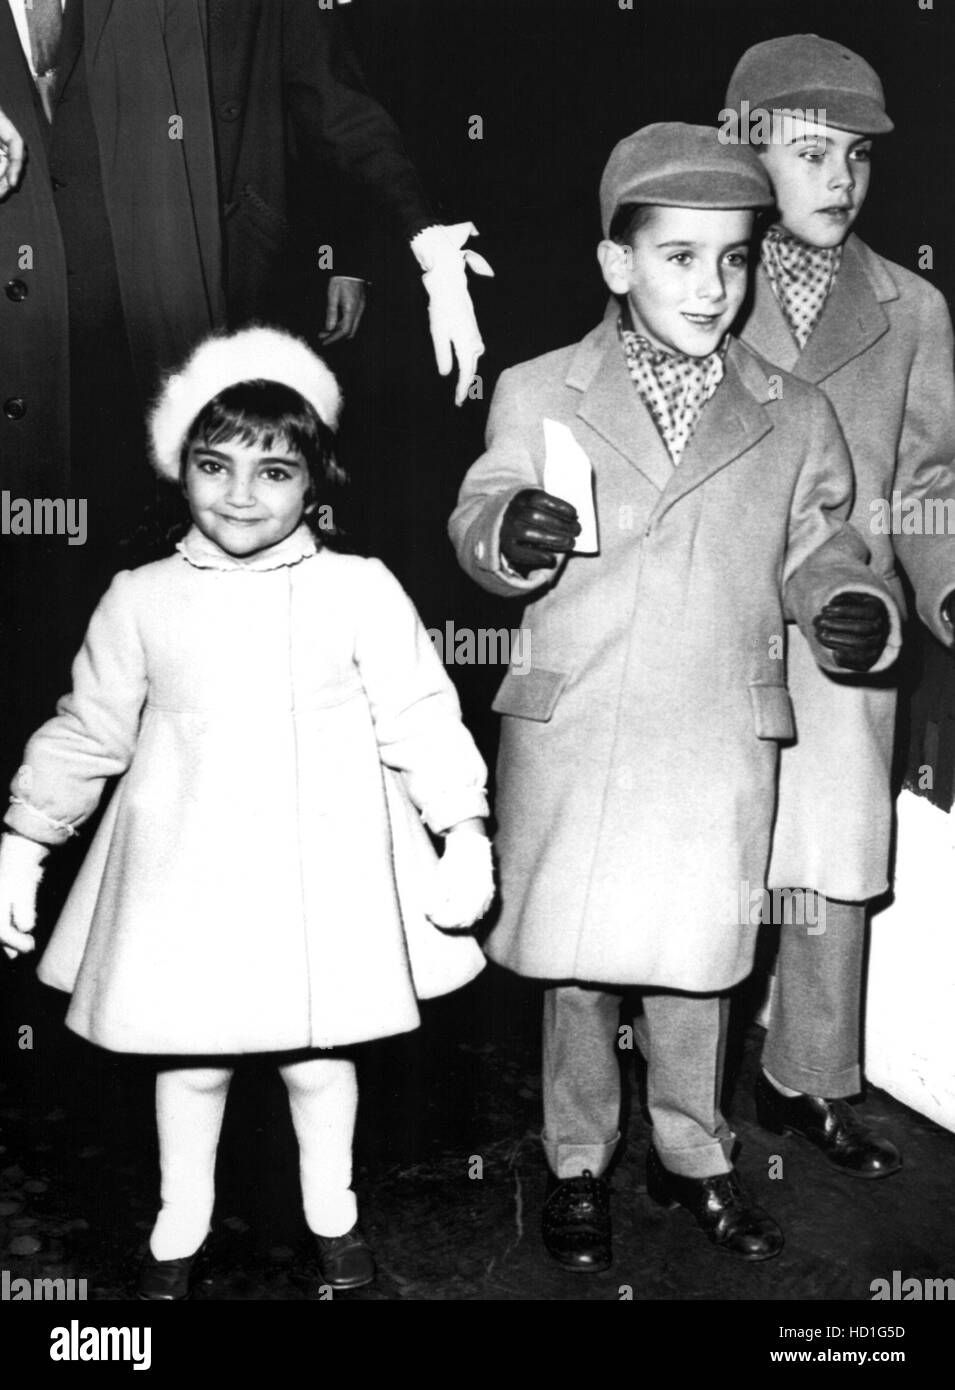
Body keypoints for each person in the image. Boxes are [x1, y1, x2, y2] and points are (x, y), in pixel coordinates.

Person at [449, 123, 901, 1272]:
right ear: (617, 265)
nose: (712, 286)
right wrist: (507, 531)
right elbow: (481, 506)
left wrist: (848, 605)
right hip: (582, 724)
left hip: (712, 733)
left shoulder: (793, 410)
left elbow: (825, 543)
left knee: (701, 966)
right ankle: (577, 1159)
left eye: (735, 258)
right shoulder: (538, 386)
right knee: (579, 969)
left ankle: (692, 1151)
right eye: (679, 257)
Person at [0, 326, 496, 1299]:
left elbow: (420, 715)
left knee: (318, 1060)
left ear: (316, 483)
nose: (239, 492)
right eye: (214, 464)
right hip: (186, 868)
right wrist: (24, 835)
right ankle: (178, 1222)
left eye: (273, 470)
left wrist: (463, 827)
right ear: (178, 469)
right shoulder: (140, 598)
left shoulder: (358, 588)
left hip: (324, 868)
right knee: (190, 1063)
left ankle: (334, 1216)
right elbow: (87, 728)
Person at [722, 34, 955, 1179]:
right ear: (742, 147)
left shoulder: (909, 309)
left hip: (847, 627)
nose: (839, 179)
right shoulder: (696, 276)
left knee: (826, 858)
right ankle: (688, 1086)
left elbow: (926, 487)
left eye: (856, 156)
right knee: (709, 855)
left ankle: (805, 1076)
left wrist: (947, 583)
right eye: (809, 151)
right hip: (711, 620)